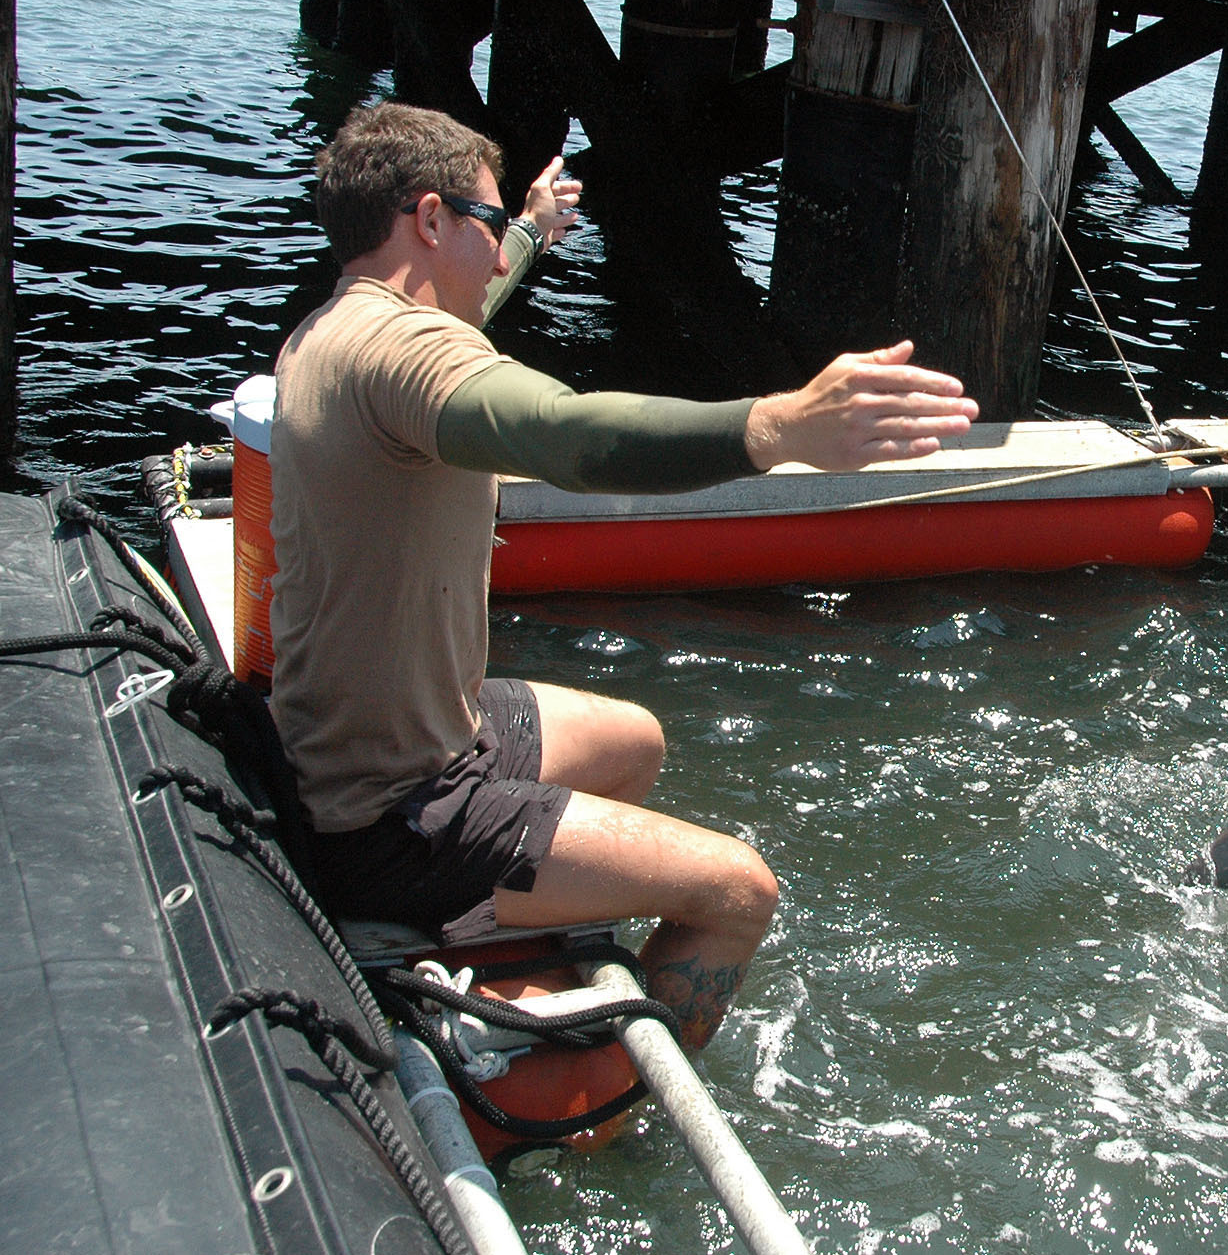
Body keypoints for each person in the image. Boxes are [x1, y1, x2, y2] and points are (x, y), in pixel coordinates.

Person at [271, 101, 978, 1051]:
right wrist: (778, 427)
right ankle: (618, 1098)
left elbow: (475, 293)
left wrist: (525, 227)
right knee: (738, 889)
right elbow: (570, 433)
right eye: (480, 229)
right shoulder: (404, 353)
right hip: (391, 813)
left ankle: (526, 921)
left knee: (632, 740)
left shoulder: (334, 331)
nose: (493, 259)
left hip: (409, 738)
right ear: (429, 220)